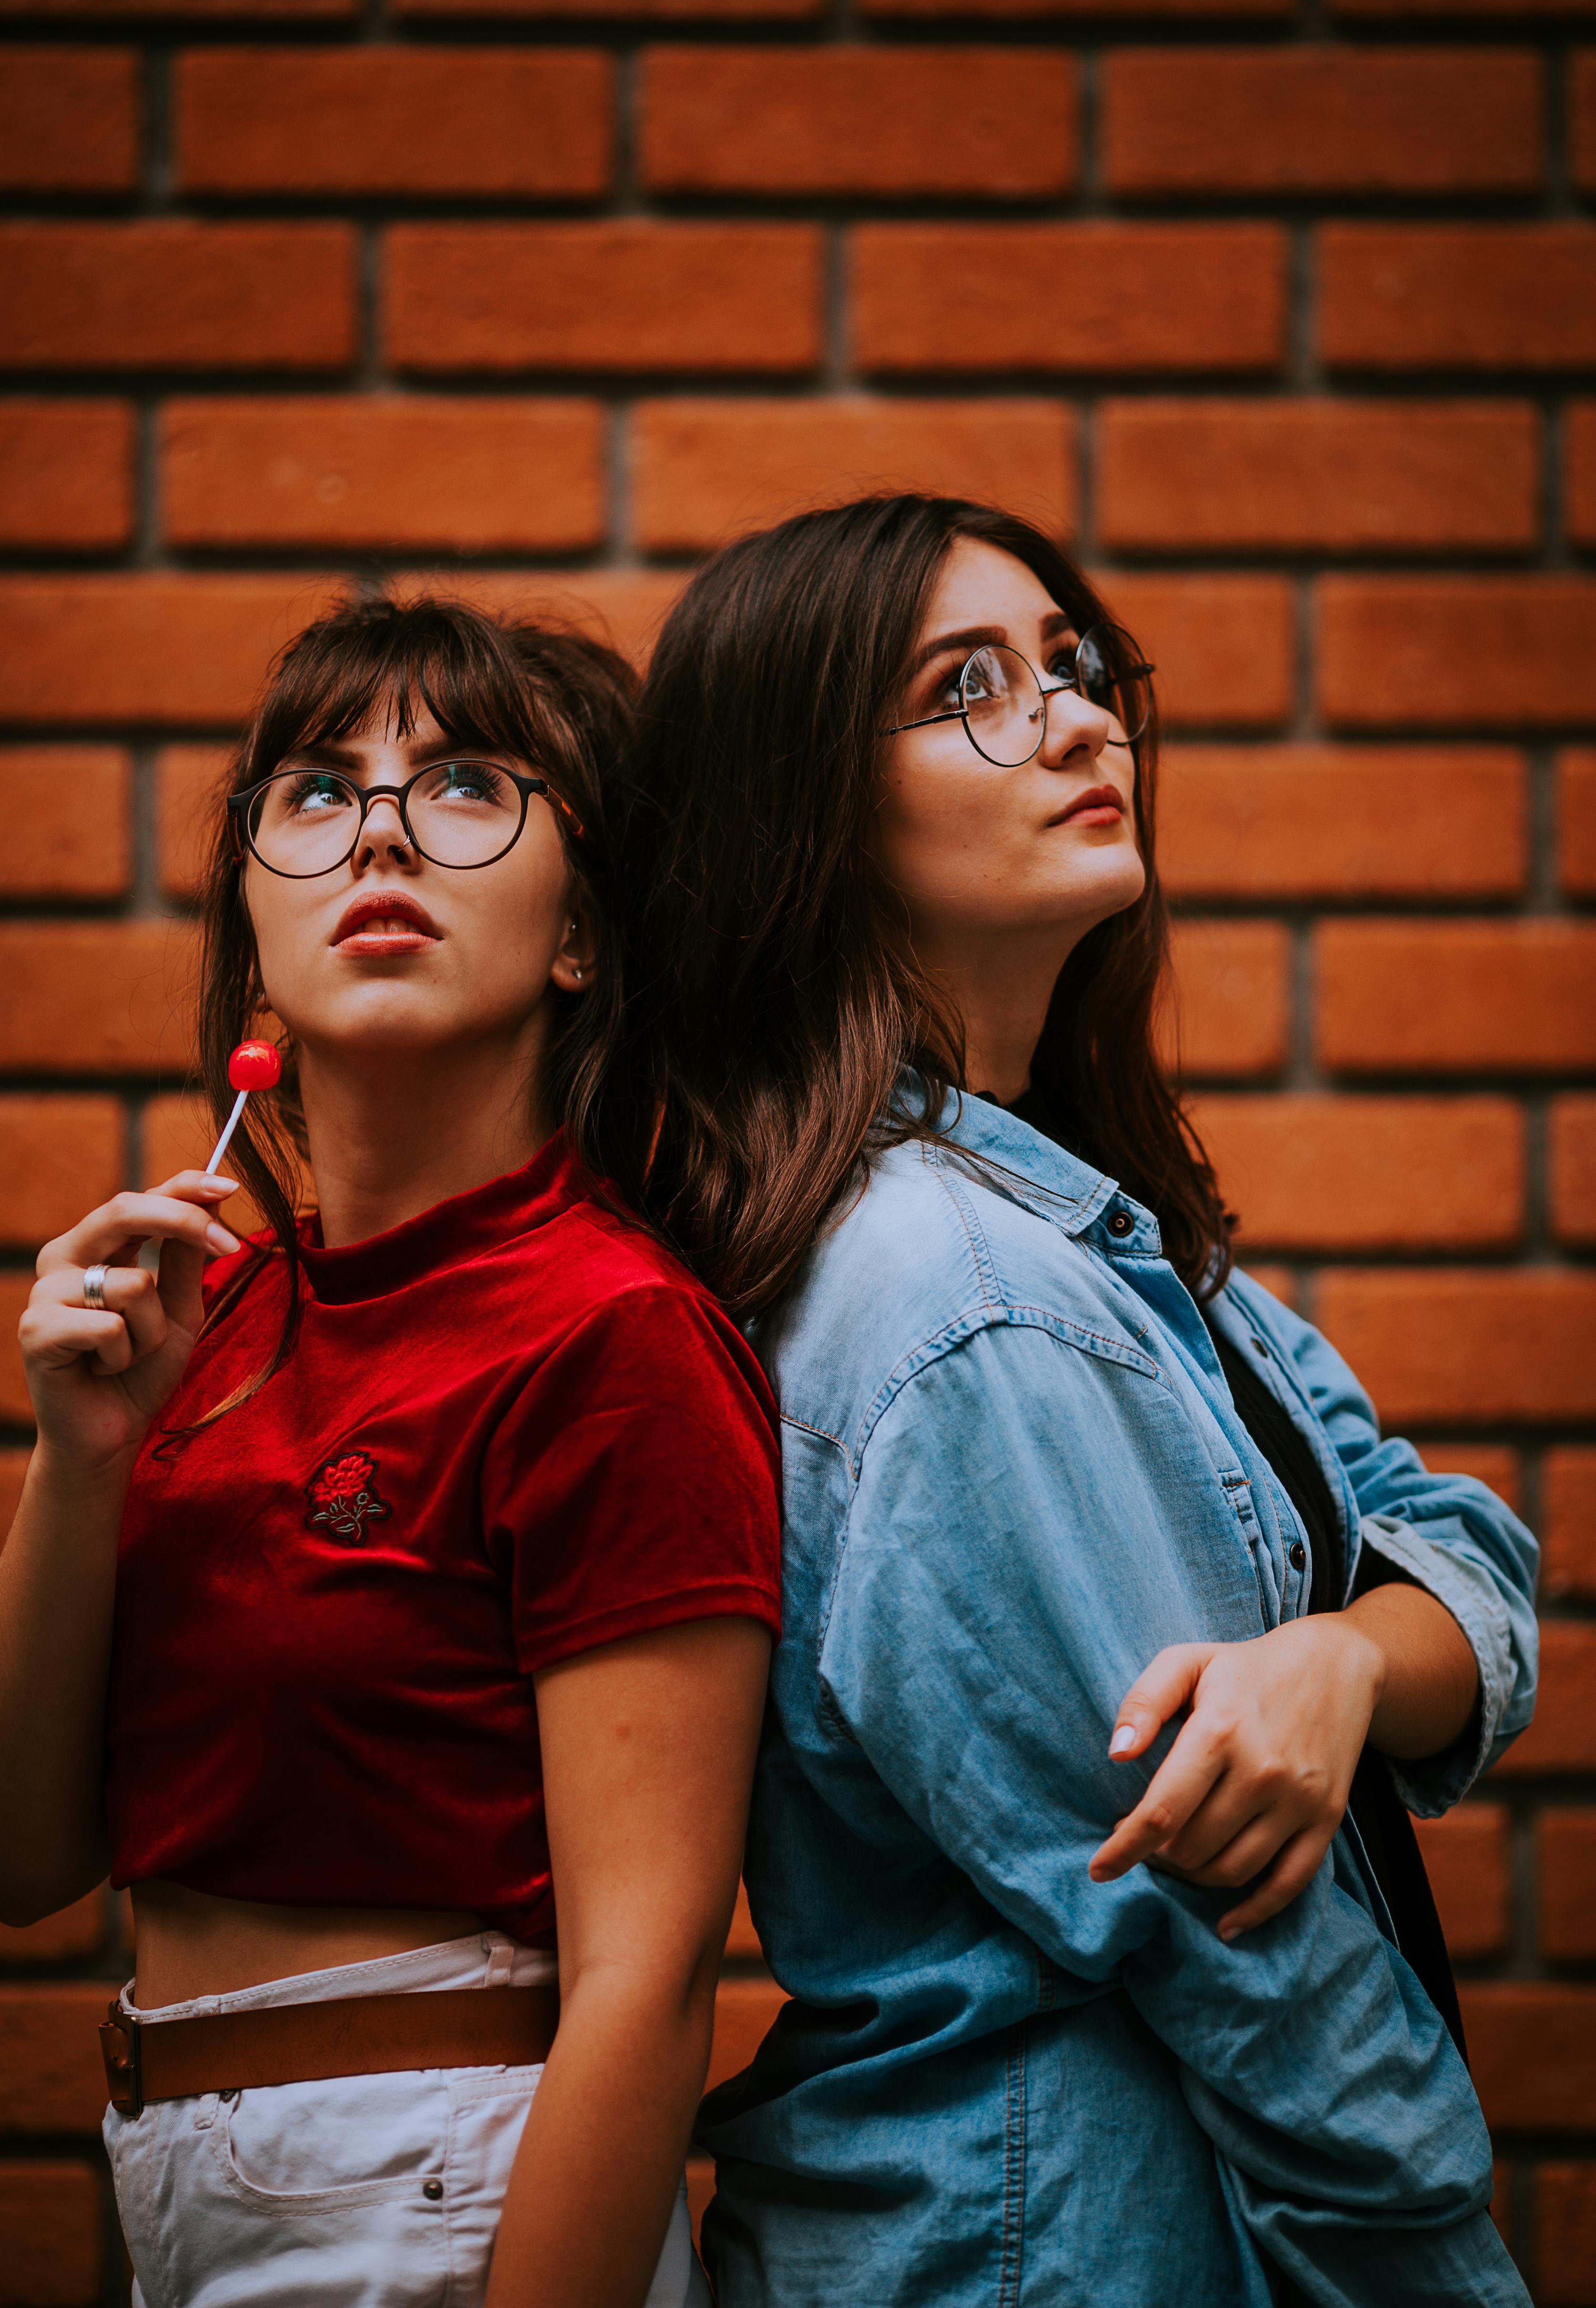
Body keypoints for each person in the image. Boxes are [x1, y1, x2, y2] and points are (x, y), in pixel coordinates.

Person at [585, 496, 1538, 2308]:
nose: (1082, 720)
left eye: (1074, 666)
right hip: (1047, 2247)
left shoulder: (1087, 1223)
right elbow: (1228, 1937)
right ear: (805, 809)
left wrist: (1339, 1666)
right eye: (970, 689)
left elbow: (1457, 1542)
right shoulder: (966, 1302)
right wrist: (1445, 2258)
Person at [0, 593, 782, 2308]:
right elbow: (20, 1861)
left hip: (439, 2192)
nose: (382, 825)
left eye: (469, 783)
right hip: (176, 2185)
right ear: (257, 938)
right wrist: (80, 1454)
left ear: (581, 939)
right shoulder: (206, 1325)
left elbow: (650, 1966)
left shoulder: (609, 1331)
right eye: (317, 792)